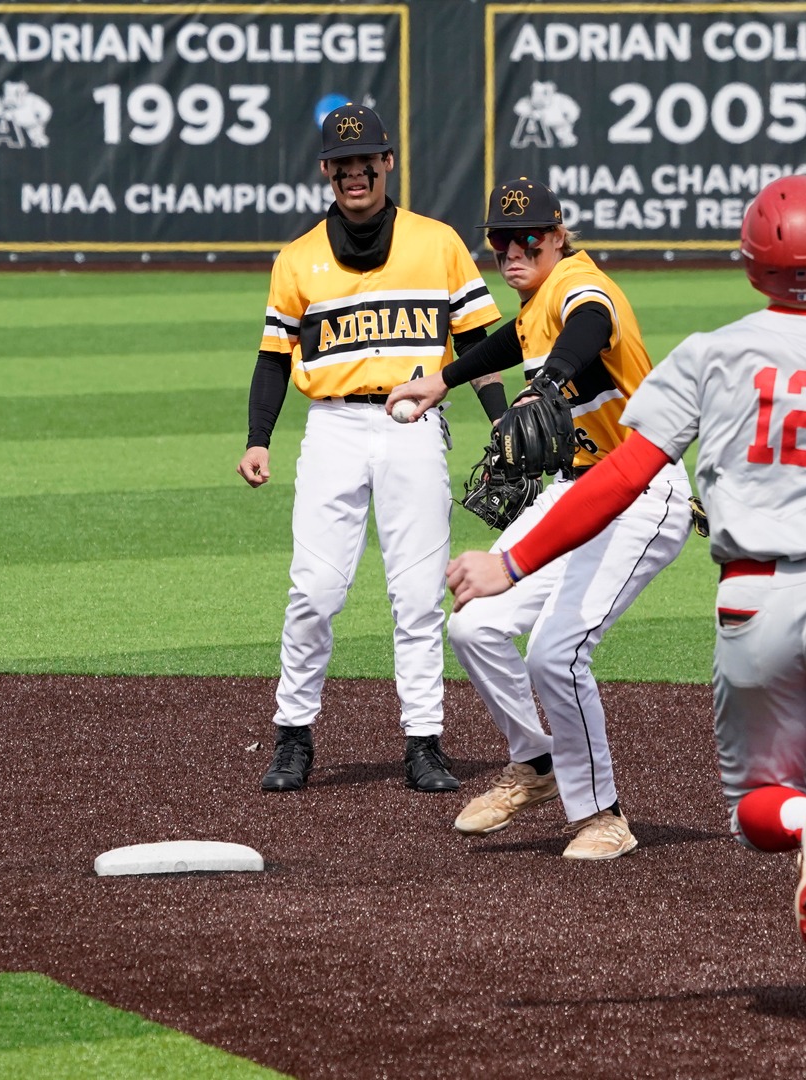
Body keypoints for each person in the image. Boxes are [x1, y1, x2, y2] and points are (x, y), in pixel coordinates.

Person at [443, 176, 806, 1029]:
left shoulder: (709, 352)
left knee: (757, 806)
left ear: (750, 268)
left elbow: (623, 477)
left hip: (752, 601)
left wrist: (512, 563)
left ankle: (805, 816)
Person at [386, 178, 692, 860]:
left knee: (558, 652)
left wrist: (548, 382)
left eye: (527, 237)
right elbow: (513, 337)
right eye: (500, 239)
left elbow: (589, 327)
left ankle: (604, 815)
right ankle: (538, 763)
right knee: (474, 623)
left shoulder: (584, 285)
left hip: (642, 491)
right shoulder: (536, 302)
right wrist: (443, 378)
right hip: (577, 490)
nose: (511, 250)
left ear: (558, 236)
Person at [239, 104, 505, 794]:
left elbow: (478, 342)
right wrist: (257, 439)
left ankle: (424, 742)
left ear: (387, 163)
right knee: (314, 592)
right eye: (343, 165)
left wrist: (501, 420)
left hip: (413, 425)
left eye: (368, 162)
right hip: (331, 428)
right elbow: (273, 358)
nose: (356, 175)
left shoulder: (438, 243)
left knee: (417, 596)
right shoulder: (297, 259)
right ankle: (293, 737)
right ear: (326, 171)